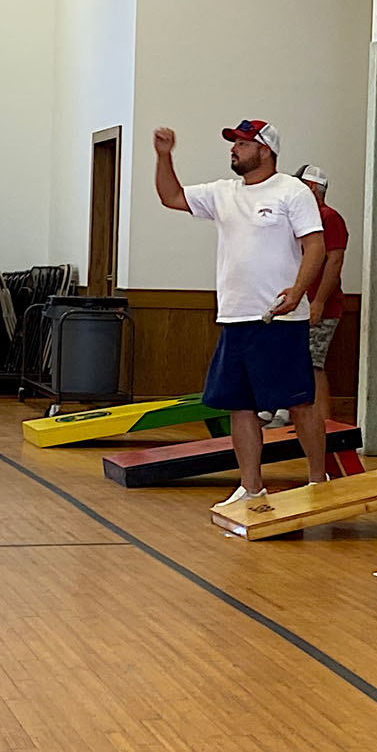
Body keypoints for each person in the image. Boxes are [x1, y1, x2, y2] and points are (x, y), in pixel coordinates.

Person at [153, 119, 327, 505]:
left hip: (280, 318)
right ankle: (251, 488)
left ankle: (318, 481)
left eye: (243, 143)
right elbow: (171, 197)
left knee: (299, 402)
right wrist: (163, 157)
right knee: (240, 404)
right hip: (236, 317)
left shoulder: (291, 191)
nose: (234, 149)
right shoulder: (222, 192)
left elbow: (315, 247)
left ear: (265, 150)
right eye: (234, 143)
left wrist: (298, 292)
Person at [261, 163, 349, 427]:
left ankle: (325, 425)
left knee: (313, 364)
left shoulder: (329, 217)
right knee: (290, 359)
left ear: (311, 187)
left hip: (318, 304)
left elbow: (333, 261)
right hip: (295, 303)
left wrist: (318, 301)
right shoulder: (301, 217)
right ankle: (281, 410)